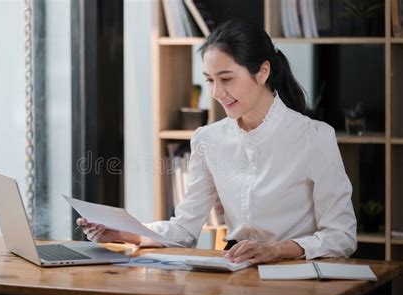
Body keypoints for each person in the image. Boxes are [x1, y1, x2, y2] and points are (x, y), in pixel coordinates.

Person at [77, 20, 357, 265]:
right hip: (235, 274)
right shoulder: (208, 139)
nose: (217, 92)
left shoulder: (313, 137)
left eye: (226, 79)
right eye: (210, 80)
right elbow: (185, 230)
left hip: (294, 278)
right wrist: (126, 234)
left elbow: (342, 236)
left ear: (262, 72)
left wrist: (276, 250)